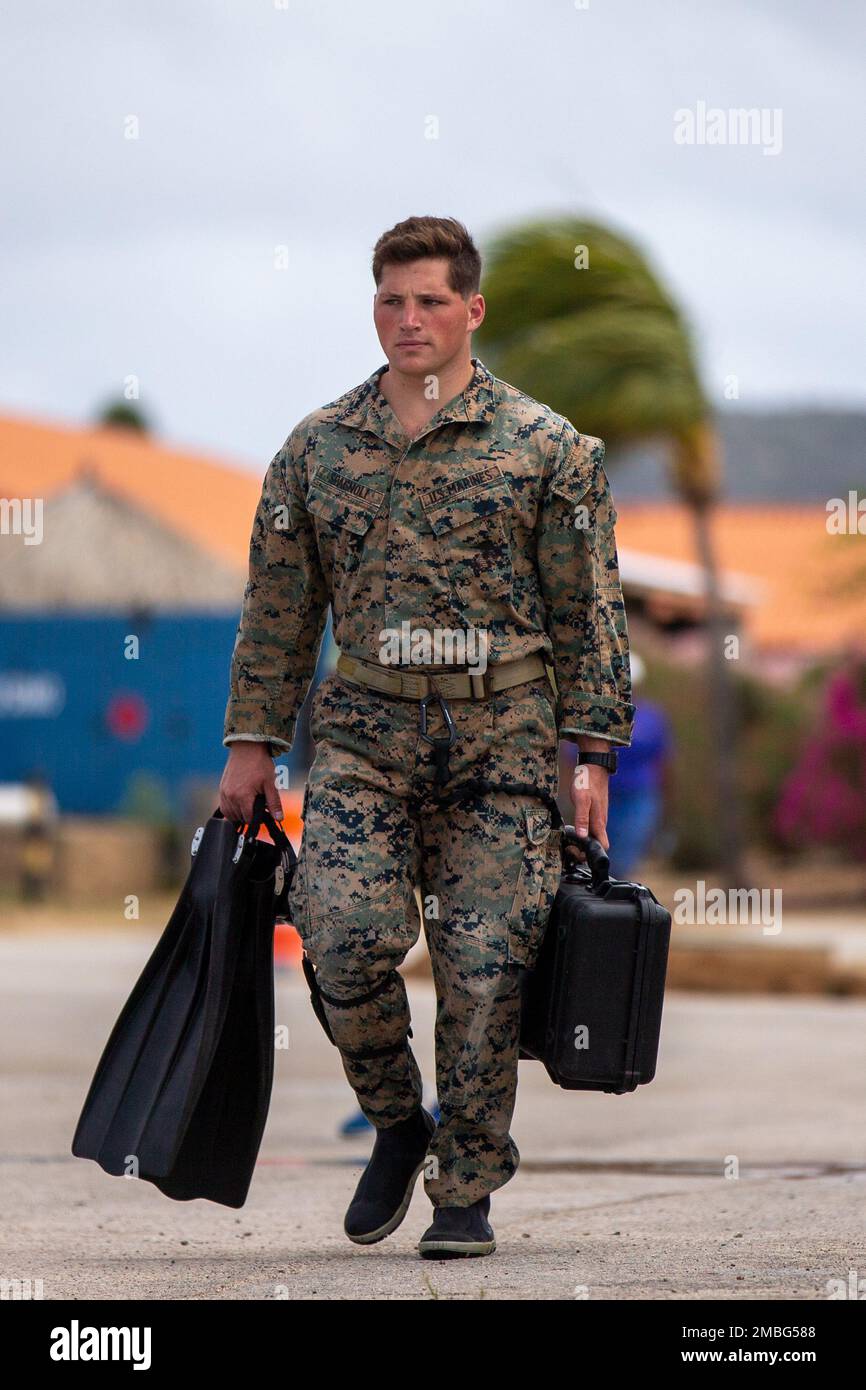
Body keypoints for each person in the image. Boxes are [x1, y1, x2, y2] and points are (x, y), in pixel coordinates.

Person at [219, 215, 634, 1260]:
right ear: (374, 307)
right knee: (340, 933)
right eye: (391, 300)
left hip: (501, 745)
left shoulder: (546, 449)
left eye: (430, 301)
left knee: (485, 962)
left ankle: (465, 1190)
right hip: (363, 738)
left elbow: (586, 608)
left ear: (471, 310)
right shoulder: (316, 449)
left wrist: (591, 755)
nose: (409, 320)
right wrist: (251, 743)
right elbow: (277, 606)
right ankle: (399, 1118)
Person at [558, 652, 674, 880]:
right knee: (596, 855)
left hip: (639, 798)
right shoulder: (598, 717)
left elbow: (664, 762)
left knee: (623, 859)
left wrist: (667, 805)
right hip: (599, 797)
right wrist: (565, 796)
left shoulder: (653, 718)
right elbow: (572, 758)